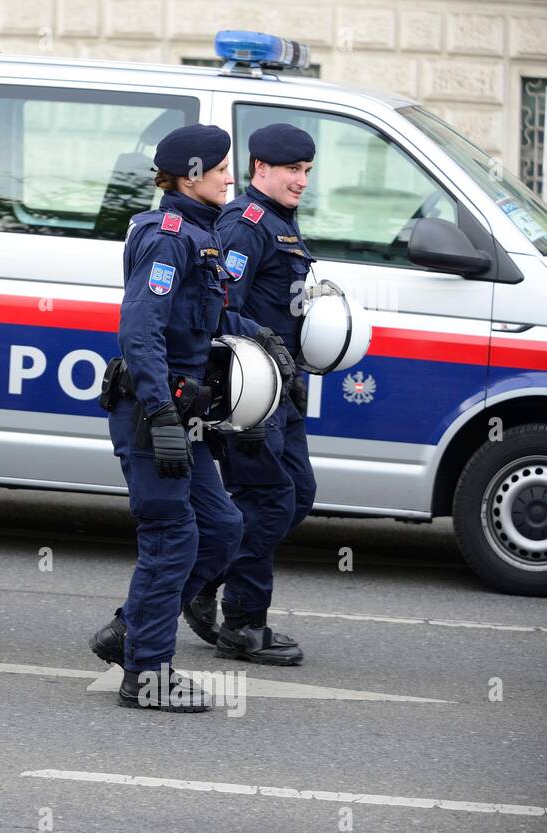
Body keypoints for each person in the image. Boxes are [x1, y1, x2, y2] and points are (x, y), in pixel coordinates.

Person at [89, 123, 294, 711]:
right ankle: (146, 675)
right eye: (223, 167)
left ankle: (130, 629)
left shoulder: (200, 236)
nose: (232, 177)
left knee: (225, 529)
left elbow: (209, 317)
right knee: (171, 538)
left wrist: (261, 334)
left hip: (184, 413)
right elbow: (141, 331)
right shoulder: (167, 238)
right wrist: (159, 414)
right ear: (191, 175)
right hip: (154, 414)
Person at [182, 124, 314, 666]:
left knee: (296, 494)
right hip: (250, 389)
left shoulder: (281, 220)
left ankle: (204, 580)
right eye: (292, 170)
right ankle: (242, 622)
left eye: (306, 171)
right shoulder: (247, 224)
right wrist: (264, 348)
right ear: (260, 168)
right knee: (267, 498)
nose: (301, 180)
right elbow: (221, 307)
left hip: (282, 387)